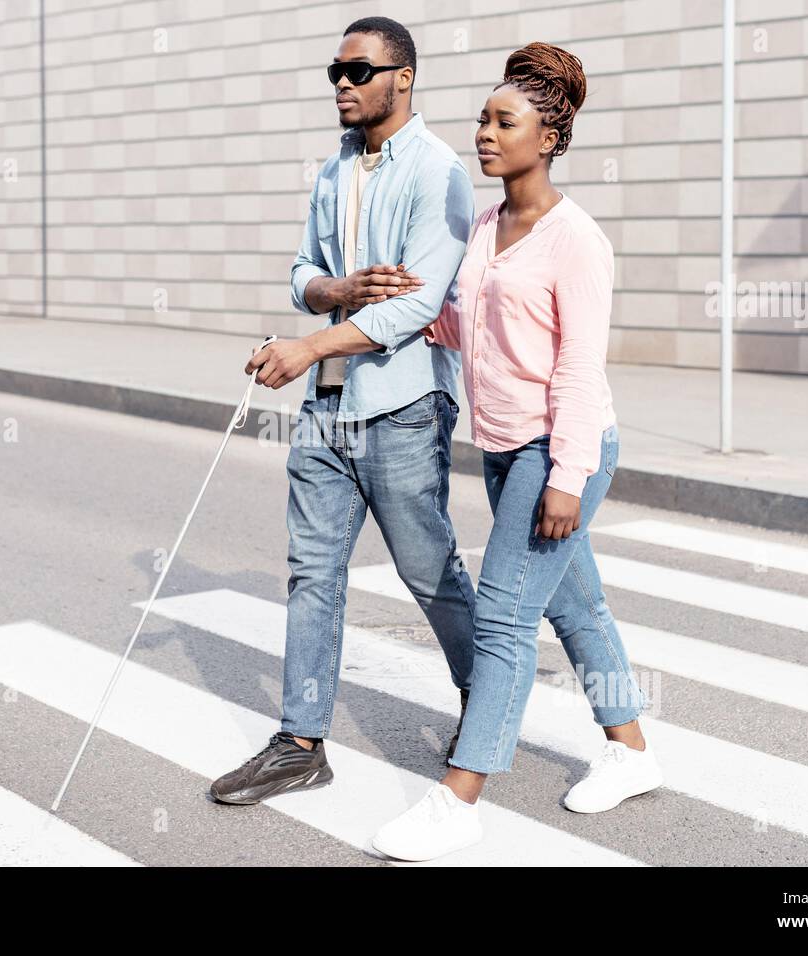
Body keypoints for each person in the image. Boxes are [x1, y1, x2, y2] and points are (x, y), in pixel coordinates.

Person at [371, 41, 661, 861]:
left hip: (559, 449)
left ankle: (460, 800)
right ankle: (632, 749)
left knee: (502, 612)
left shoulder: (577, 241)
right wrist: (421, 308)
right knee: (577, 607)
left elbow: (576, 367)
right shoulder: (489, 225)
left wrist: (566, 478)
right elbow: (479, 329)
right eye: (484, 119)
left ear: (550, 137)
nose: (486, 133)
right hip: (501, 448)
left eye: (506, 121)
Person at [208, 16, 480, 805]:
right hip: (328, 413)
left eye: (358, 71)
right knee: (311, 574)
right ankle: (300, 743)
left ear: (404, 77)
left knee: (429, 572)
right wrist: (337, 291)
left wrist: (309, 347)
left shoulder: (439, 173)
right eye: (335, 71)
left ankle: (483, 698)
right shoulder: (333, 171)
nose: (343, 84)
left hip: (401, 405)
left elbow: (416, 304)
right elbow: (305, 274)